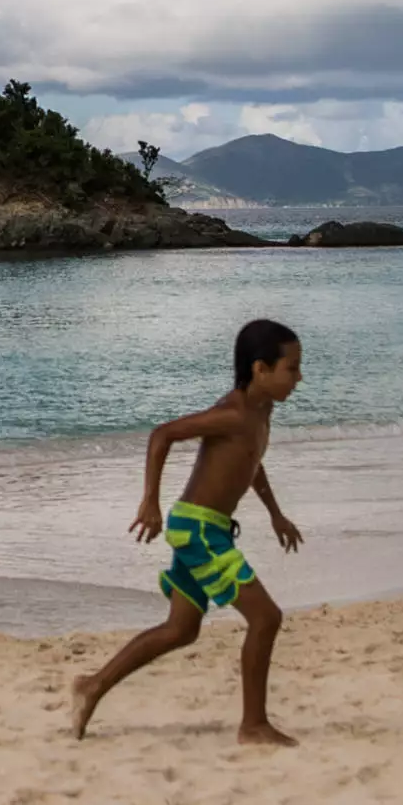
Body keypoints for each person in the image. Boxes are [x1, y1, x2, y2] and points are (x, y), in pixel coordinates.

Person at [70, 318, 306, 748]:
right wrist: (150, 502)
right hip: (197, 530)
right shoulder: (232, 413)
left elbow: (250, 463)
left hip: (208, 528)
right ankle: (253, 725)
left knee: (181, 630)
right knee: (266, 618)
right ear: (261, 369)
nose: (299, 377)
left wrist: (276, 514)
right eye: (291, 368)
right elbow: (163, 434)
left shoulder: (261, 411)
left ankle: (92, 685)